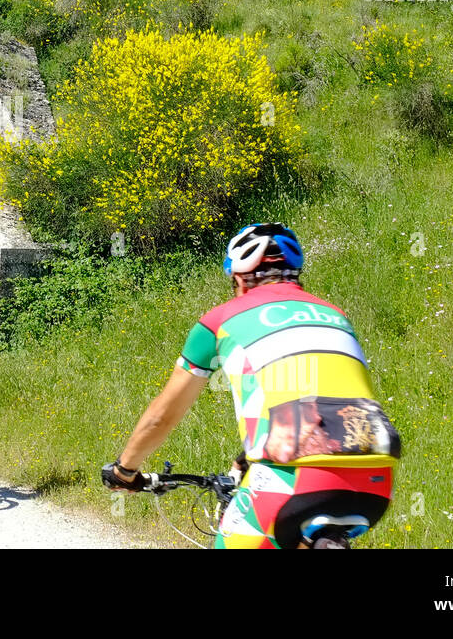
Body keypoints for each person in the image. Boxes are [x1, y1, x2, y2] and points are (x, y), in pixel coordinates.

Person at [101, 223, 402, 549]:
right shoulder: (336, 315)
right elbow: (318, 398)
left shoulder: (220, 321)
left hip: (293, 479)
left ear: (239, 280)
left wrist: (125, 470)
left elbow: (164, 415)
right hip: (375, 481)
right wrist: (246, 457)